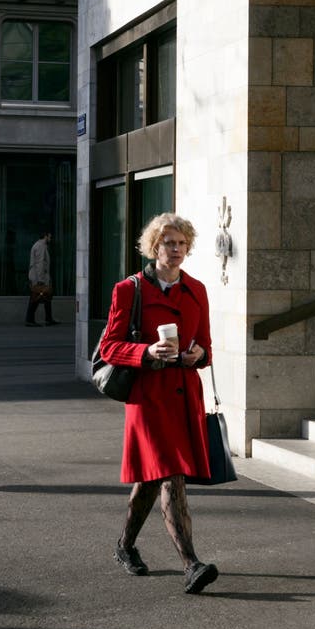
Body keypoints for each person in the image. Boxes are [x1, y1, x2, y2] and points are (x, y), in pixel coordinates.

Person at [96, 213, 218, 595]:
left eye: (182, 243)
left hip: (184, 395)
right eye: (169, 242)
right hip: (148, 398)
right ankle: (192, 564)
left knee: (152, 478)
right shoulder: (128, 290)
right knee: (171, 474)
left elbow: (208, 348)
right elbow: (109, 347)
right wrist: (147, 350)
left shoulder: (197, 289)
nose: (176, 249)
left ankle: (125, 545)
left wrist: (197, 354)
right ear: (154, 246)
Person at [25, 231, 58, 326]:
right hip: (38, 278)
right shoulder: (40, 246)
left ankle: (48, 318)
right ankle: (30, 320)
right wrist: (41, 279)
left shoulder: (40, 245)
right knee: (36, 298)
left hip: (39, 277)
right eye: (49, 237)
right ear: (45, 236)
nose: (50, 239)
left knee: (46, 297)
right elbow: (40, 263)